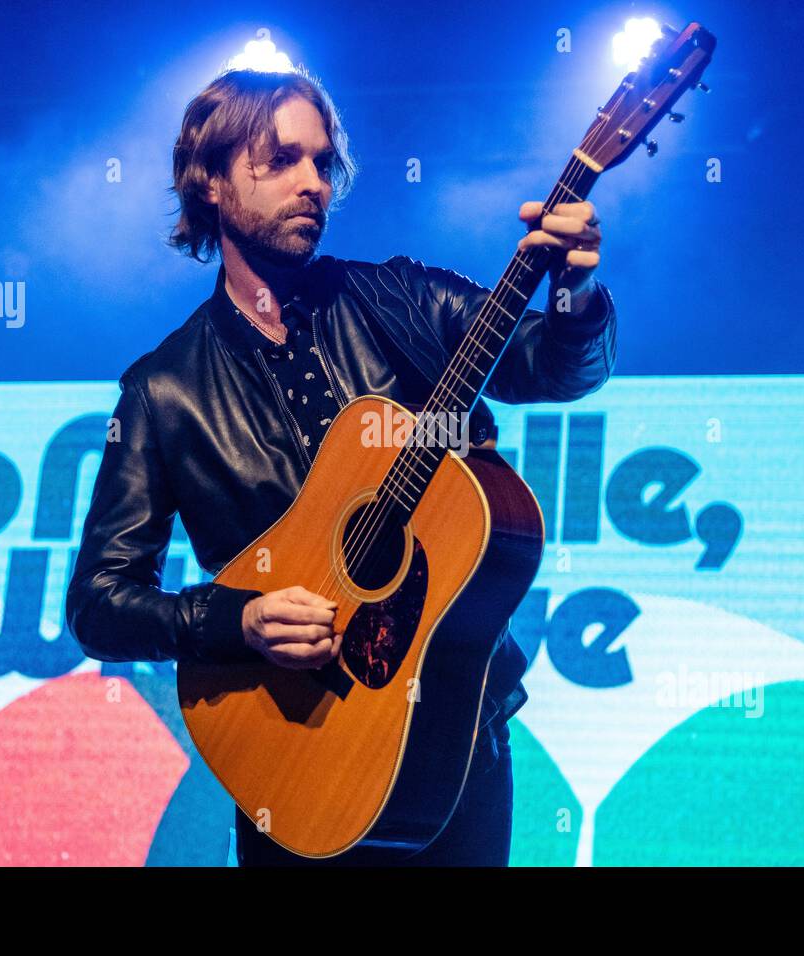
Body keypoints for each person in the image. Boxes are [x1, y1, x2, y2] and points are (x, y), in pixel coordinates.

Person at [64, 66, 616, 866]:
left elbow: (554, 368)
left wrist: (574, 289)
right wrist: (237, 621)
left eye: (323, 163)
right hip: (289, 750)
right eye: (282, 160)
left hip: (453, 740)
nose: (312, 183)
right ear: (211, 182)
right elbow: (99, 602)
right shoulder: (163, 391)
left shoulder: (401, 297)